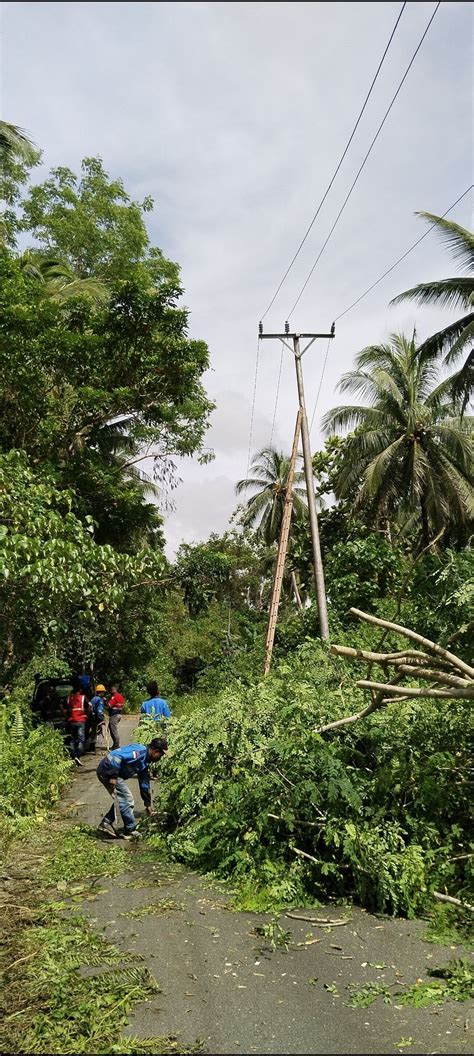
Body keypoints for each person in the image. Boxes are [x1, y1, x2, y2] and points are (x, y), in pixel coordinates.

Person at [96, 737, 168, 839]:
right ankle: (129, 830)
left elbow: (144, 783)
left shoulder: (145, 761)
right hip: (107, 770)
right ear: (156, 751)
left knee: (122, 800)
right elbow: (117, 756)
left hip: (114, 774)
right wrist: (113, 776)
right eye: (161, 755)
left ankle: (106, 823)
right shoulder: (139, 752)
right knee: (127, 798)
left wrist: (147, 803)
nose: (161, 758)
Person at [63, 677, 88, 765]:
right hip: (81, 721)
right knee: (81, 739)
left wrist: (67, 717)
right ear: (80, 690)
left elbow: (64, 708)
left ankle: (73, 756)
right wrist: (86, 715)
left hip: (71, 721)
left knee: (72, 739)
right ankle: (78, 755)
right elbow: (90, 706)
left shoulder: (68, 698)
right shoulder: (83, 697)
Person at [86, 683, 107, 753]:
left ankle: (90, 746)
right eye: (103, 692)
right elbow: (99, 711)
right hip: (96, 719)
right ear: (101, 692)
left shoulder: (93, 699)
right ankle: (92, 747)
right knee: (94, 733)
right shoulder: (100, 700)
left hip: (91, 718)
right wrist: (102, 719)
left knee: (92, 732)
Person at [107, 684, 125, 750]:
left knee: (113, 731)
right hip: (118, 714)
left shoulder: (114, 696)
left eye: (111, 690)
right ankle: (115, 744)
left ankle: (116, 745)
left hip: (114, 715)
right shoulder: (121, 696)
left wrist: (104, 700)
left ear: (113, 690)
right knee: (111, 729)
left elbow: (109, 705)